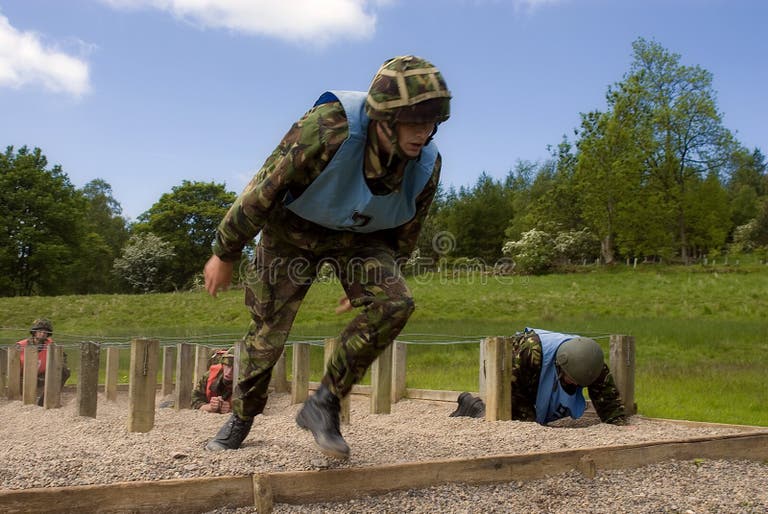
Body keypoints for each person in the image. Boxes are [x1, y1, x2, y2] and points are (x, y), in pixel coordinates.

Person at [203, 55, 451, 459]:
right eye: (414, 121)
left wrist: (374, 283)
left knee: (396, 302)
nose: (424, 133)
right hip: (292, 230)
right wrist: (224, 251)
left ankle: (324, 404)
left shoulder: (426, 164)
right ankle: (241, 418)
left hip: (359, 236)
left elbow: (408, 228)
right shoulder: (328, 127)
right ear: (385, 118)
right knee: (268, 330)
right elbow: (264, 188)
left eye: (431, 122)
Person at [450, 328, 628, 425]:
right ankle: (473, 406)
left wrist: (618, 422)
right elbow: (510, 390)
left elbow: (607, 396)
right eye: (570, 379)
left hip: (534, 373)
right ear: (560, 364)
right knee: (516, 423)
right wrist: (529, 423)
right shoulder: (529, 353)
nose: (573, 384)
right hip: (509, 373)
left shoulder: (589, 360)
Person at [16, 318, 71, 406]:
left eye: (45, 332)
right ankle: (20, 399)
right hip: (22, 377)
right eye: (40, 331)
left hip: (42, 375)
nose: (42, 334)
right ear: (34, 332)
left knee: (64, 370)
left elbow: (62, 358)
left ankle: (45, 401)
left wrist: (57, 368)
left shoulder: (51, 344)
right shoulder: (21, 345)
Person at [191, 347, 235, 413]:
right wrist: (210, 407)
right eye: (227, 366)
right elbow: (194, 401)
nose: (229, 372)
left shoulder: (249, 383)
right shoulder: (209, 376)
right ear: (222, 365)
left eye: (234, 369)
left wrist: (232, 409)